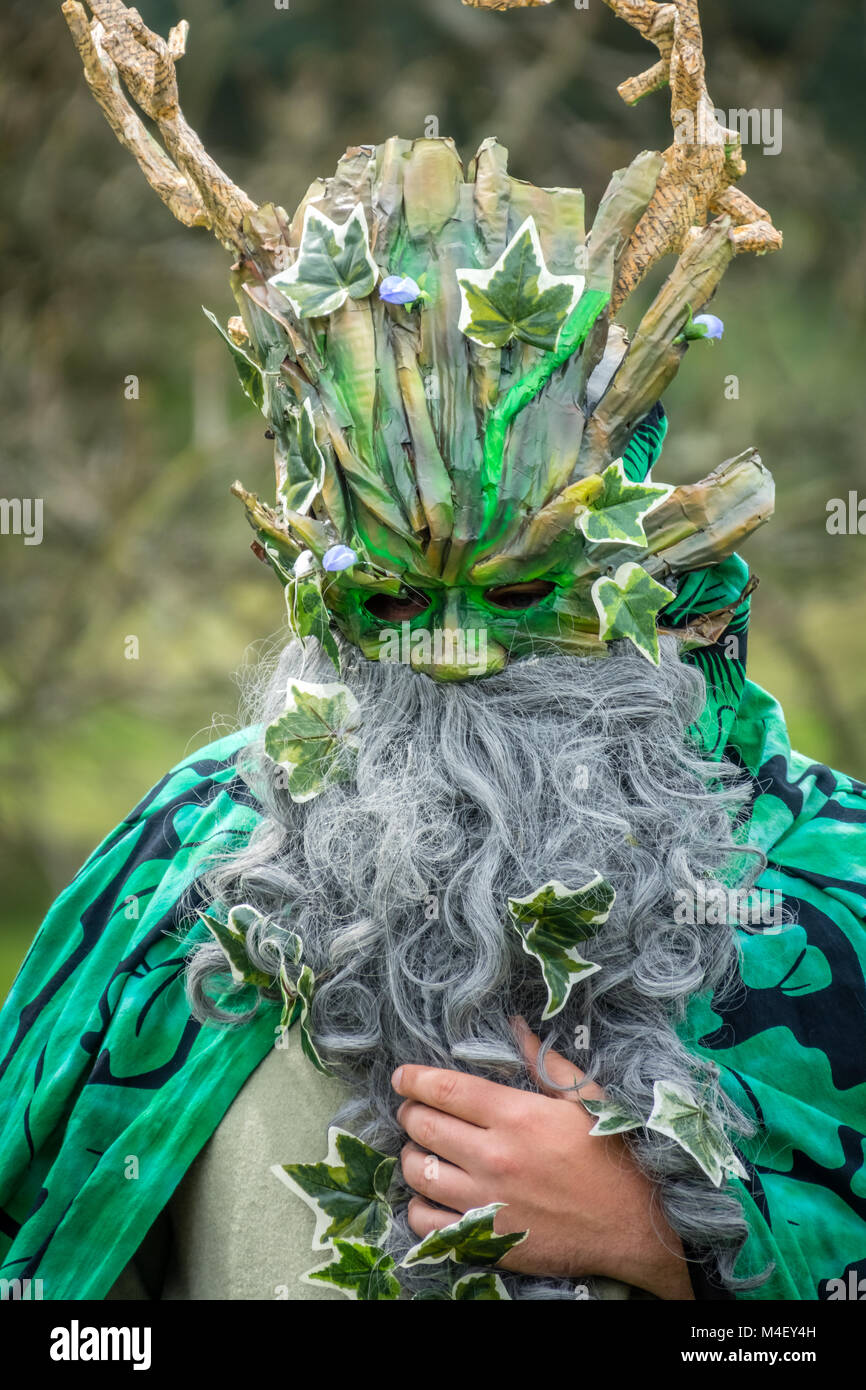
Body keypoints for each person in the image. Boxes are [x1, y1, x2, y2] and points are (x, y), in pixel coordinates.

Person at [1, 0, 863, 1302]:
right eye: (399, 600)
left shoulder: (821, 890)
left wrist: (676, 1238)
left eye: (517, 593)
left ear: (627, 552)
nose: (457, 651)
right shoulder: (177, 866)